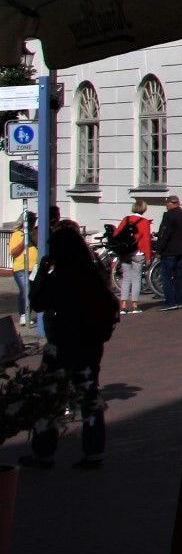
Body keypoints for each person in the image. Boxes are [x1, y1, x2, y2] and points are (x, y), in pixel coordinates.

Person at [24, 221, 119, 470]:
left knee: (50, 395)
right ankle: (94, 451)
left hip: (63, 343)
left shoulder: (61, 276)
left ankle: (44, 452)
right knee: (89, 394)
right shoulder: (93, 274)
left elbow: (38, 303)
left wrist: (42, 274)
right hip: (90, 344)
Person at [107, 200, 152, 316]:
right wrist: (148, 256)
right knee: (136, 279)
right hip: (138, 253)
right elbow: (146, 240)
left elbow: (116, 234)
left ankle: (122, 306)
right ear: (144, 209)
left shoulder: (126, 219)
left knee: (126, 278)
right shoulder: (145, 222)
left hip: (125, 253)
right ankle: (134, 305)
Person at [153, 195, 182, 310]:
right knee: (179, 276)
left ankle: (171, 301)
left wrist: (158, 250)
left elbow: (164, 234)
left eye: (167, 203)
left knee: (166, 277)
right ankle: (179, 300)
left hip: (170, 251)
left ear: (172, 203)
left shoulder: (169, 216)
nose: (166, 205)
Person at [10, 214, 39, 337]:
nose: (33, 223)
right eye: (31, 220)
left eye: (35, 220)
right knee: (25, 290)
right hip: (21, 268)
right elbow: (14, 252)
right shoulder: (17, 234)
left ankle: (27, 313)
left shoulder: (35, 233)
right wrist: (24, 240)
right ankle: (23, 314)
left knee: (32, 291)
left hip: (34, 267)